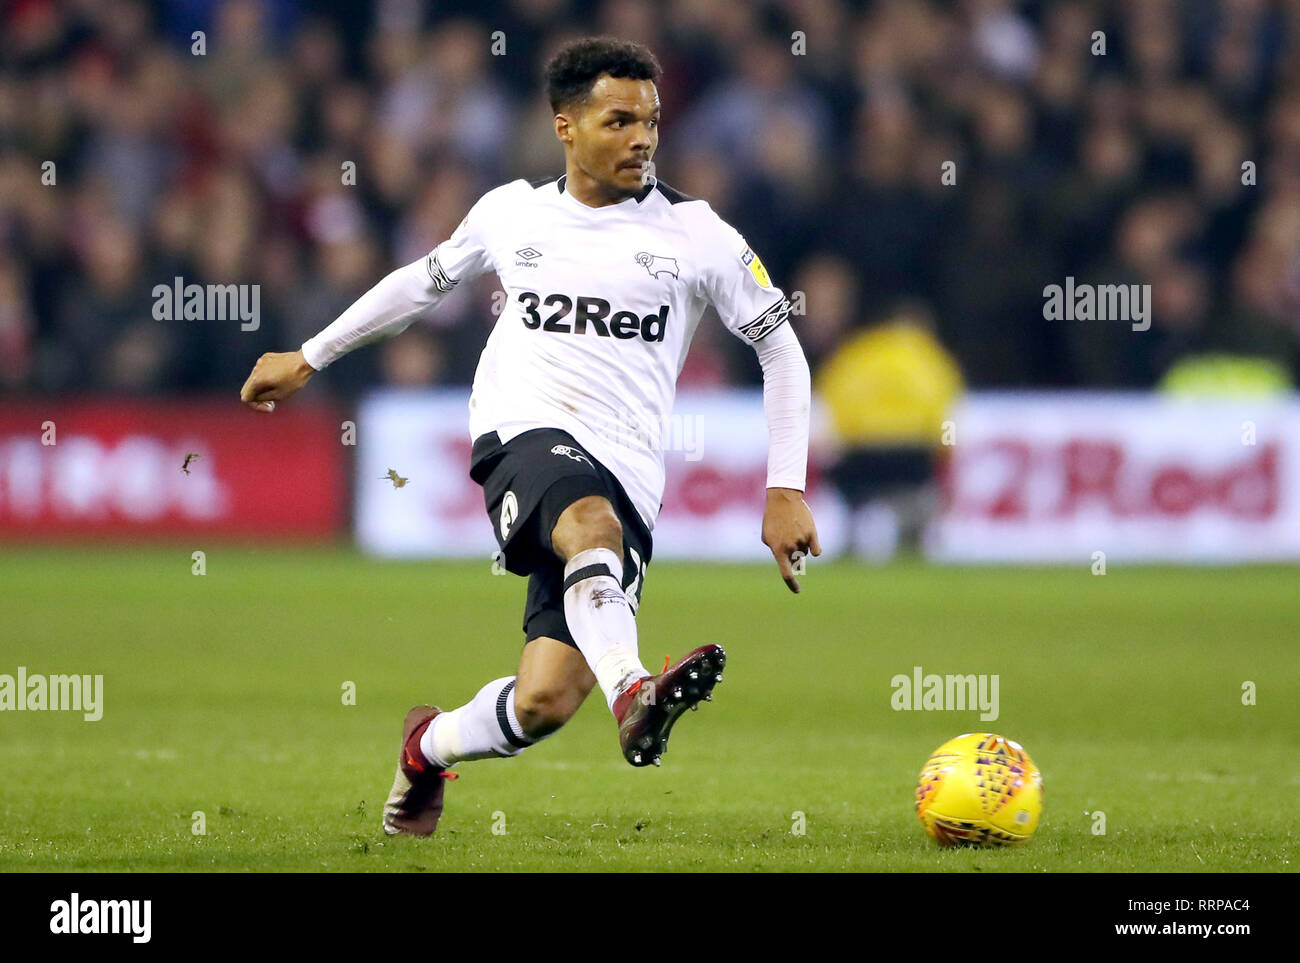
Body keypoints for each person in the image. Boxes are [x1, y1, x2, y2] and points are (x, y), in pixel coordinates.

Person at [238, 37, 820, 836]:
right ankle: (634, 692)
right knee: (590, 525)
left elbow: (779, 347)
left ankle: (426, 744)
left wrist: (785, 486)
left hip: (629, 469)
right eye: (619, 120)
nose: (642, 138)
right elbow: (422, 283)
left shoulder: (699, 234)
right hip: (523, 430)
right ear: (566, 127)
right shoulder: (512, 212)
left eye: (651, 121)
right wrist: (310, 355)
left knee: (545, 700)